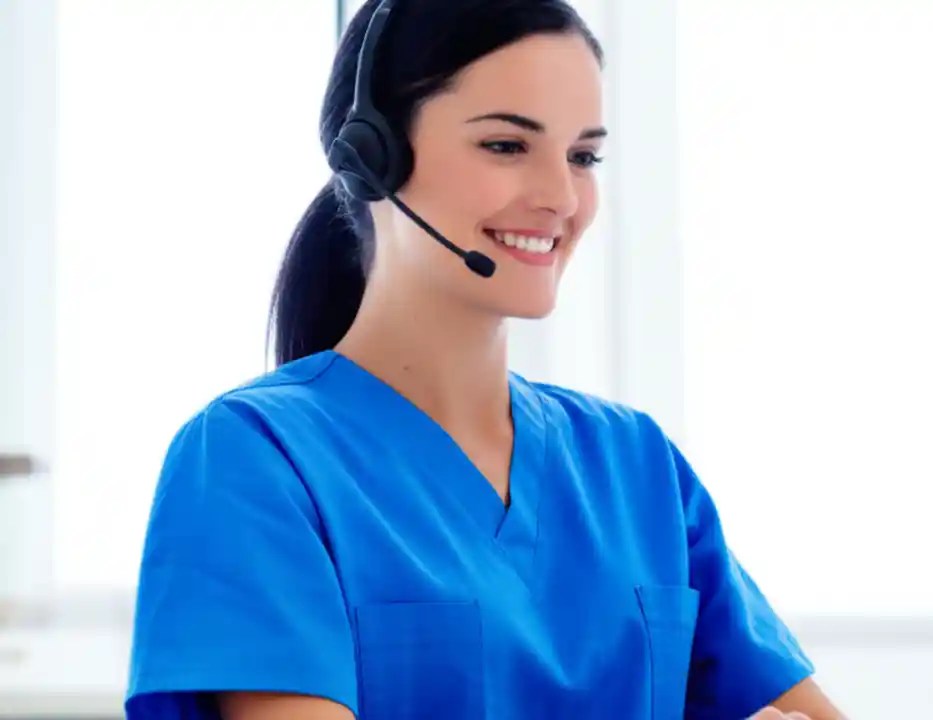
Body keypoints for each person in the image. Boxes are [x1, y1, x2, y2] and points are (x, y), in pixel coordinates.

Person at [123, 0, 846, 718]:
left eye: (583, 156)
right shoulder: (253, 459)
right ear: (373, 156)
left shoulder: (637, 466)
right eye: (507, 146)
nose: (562, 197)